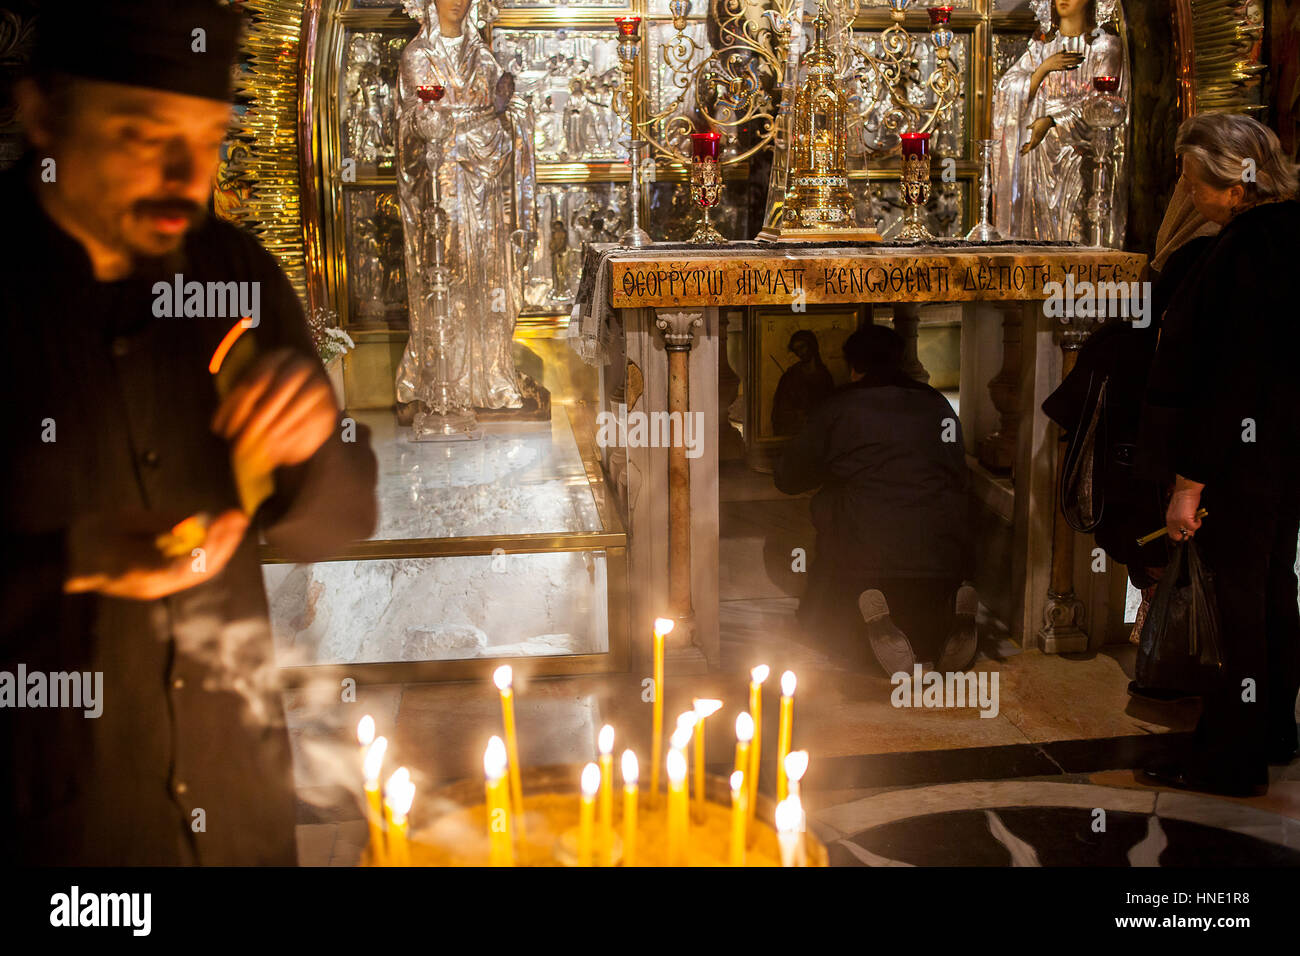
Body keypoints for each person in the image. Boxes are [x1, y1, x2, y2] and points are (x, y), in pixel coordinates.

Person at [0, 0, 379, 864]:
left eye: (208, 137)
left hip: (233, 801)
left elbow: (344, 515)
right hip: (63, 821)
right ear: (44, 115)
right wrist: (71, 561)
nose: (186, 174)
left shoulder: (235, 274)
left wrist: (318, 438)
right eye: (143, 134)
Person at [1136, 113, 1300, 796]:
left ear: (1236, 185)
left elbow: (1230, 378)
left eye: (1194, 182)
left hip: (1243, 457)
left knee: (1236, 599)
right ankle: (1272, 732)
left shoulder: (1242, 253)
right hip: (1287, 450)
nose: (1188, 195)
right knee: (1271, 587)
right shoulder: (1290, 233)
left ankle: (1231, 759)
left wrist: (1189, 482)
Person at [774, 325, 974, 675]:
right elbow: (958, 473)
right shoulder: (936, 403)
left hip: (867, 553)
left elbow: (788, 479)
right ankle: (948, 620)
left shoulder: (837, 407)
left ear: (853, 367)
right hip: (942, 554)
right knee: (924, 600)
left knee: (824, 625)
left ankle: (863, 625)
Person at [771, 330, 835, 437]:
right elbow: (779, 411)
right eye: (796, 350)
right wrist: (796, 415)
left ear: (812, 345)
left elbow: (831, 408)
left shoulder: (825, 376)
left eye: (802, 347)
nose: (800, 353)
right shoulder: (790, 376)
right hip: (797, 433)